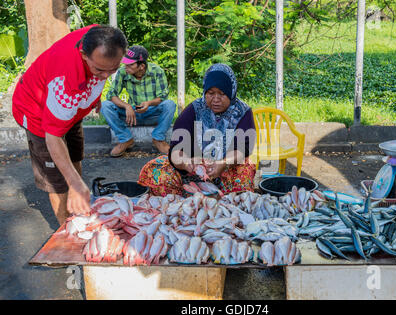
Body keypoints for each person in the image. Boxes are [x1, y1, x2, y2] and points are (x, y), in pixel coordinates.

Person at [12, 25, 128, 225]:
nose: (105, 76)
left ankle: (79, 206)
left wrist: (94, 98)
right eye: (99, 70)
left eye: (114, 69)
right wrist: (74, 183)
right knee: (57, 178)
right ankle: (65, 229)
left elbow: (102, 71)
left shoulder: (100, 36)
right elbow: (53, 136)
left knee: (74, 154)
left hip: (73, 110)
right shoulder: (65, 83)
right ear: (83, 54)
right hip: (37, 114)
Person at [137, 63, 256, 196]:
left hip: (226, 169)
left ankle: (226, 205)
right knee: (155, 169)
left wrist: (223, 163)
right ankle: (185, 202)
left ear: (231, 92)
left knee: (245, 168)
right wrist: (186, 163)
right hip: (193, 172)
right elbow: (176, 149)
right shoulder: (194, 110)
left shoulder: (242, 112)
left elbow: (242, 150)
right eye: (211, 93)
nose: (216, 99)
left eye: (222, 94)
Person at [101, 45, 176, 156]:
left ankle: (158, 139)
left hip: (152, 112)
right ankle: (125, 139)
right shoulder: (123, 72)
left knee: (170, 104)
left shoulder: (157, 71)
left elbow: (163, 96)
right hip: (132, 115)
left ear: (141, 66)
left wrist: (149, 103)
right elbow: (111, 95)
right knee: (105, 105)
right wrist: (127, 106)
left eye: (130, 64)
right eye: (125, 63)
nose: (126, 67)